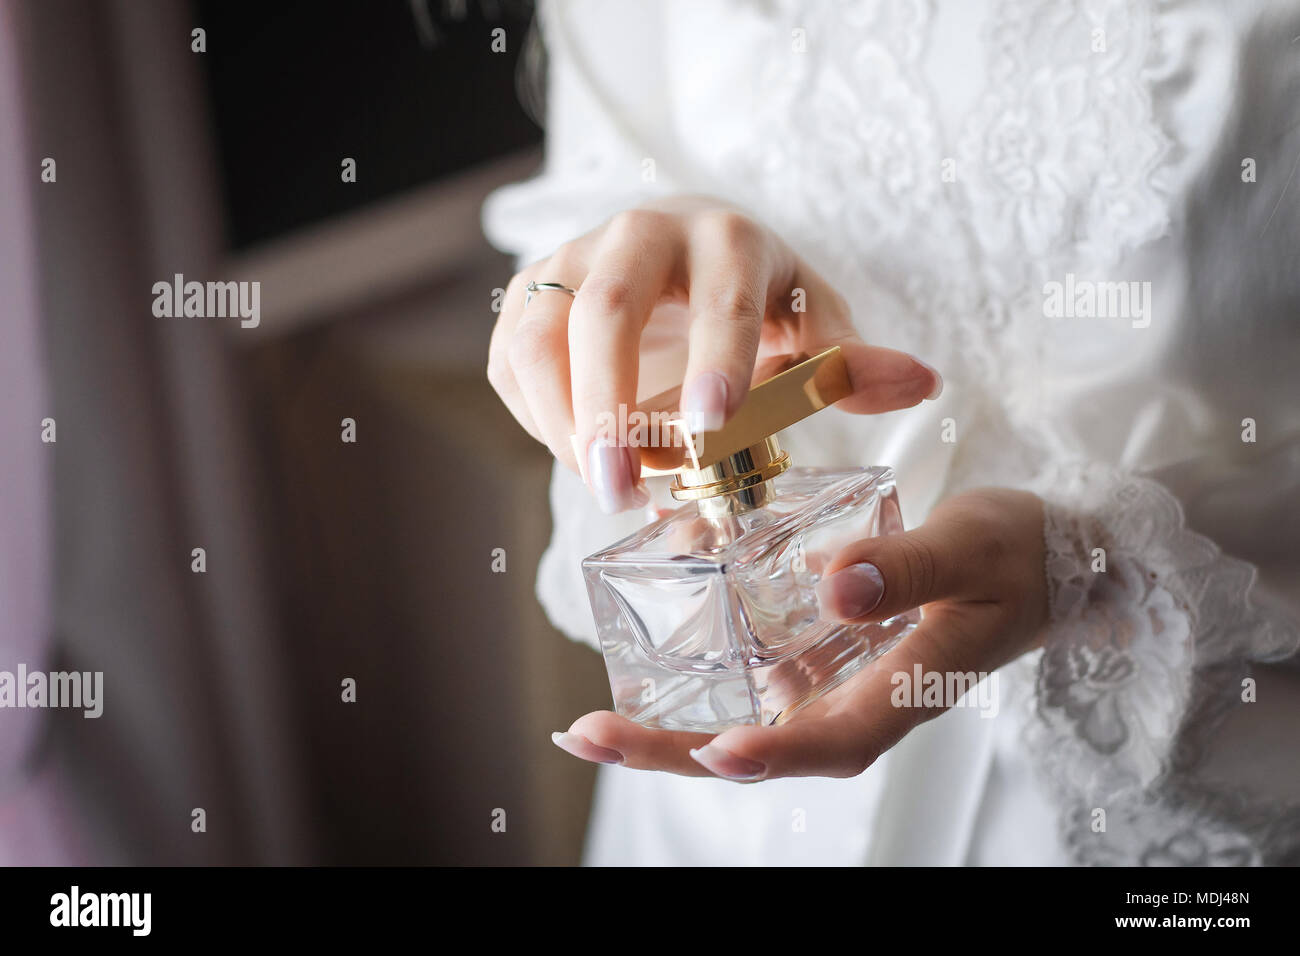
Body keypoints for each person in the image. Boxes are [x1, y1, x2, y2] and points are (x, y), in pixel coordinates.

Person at [483, 0, 1300, 865]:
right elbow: (592, 198)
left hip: (1155, 796)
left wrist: (1094, 561)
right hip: (731, 822)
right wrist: (635, 294)